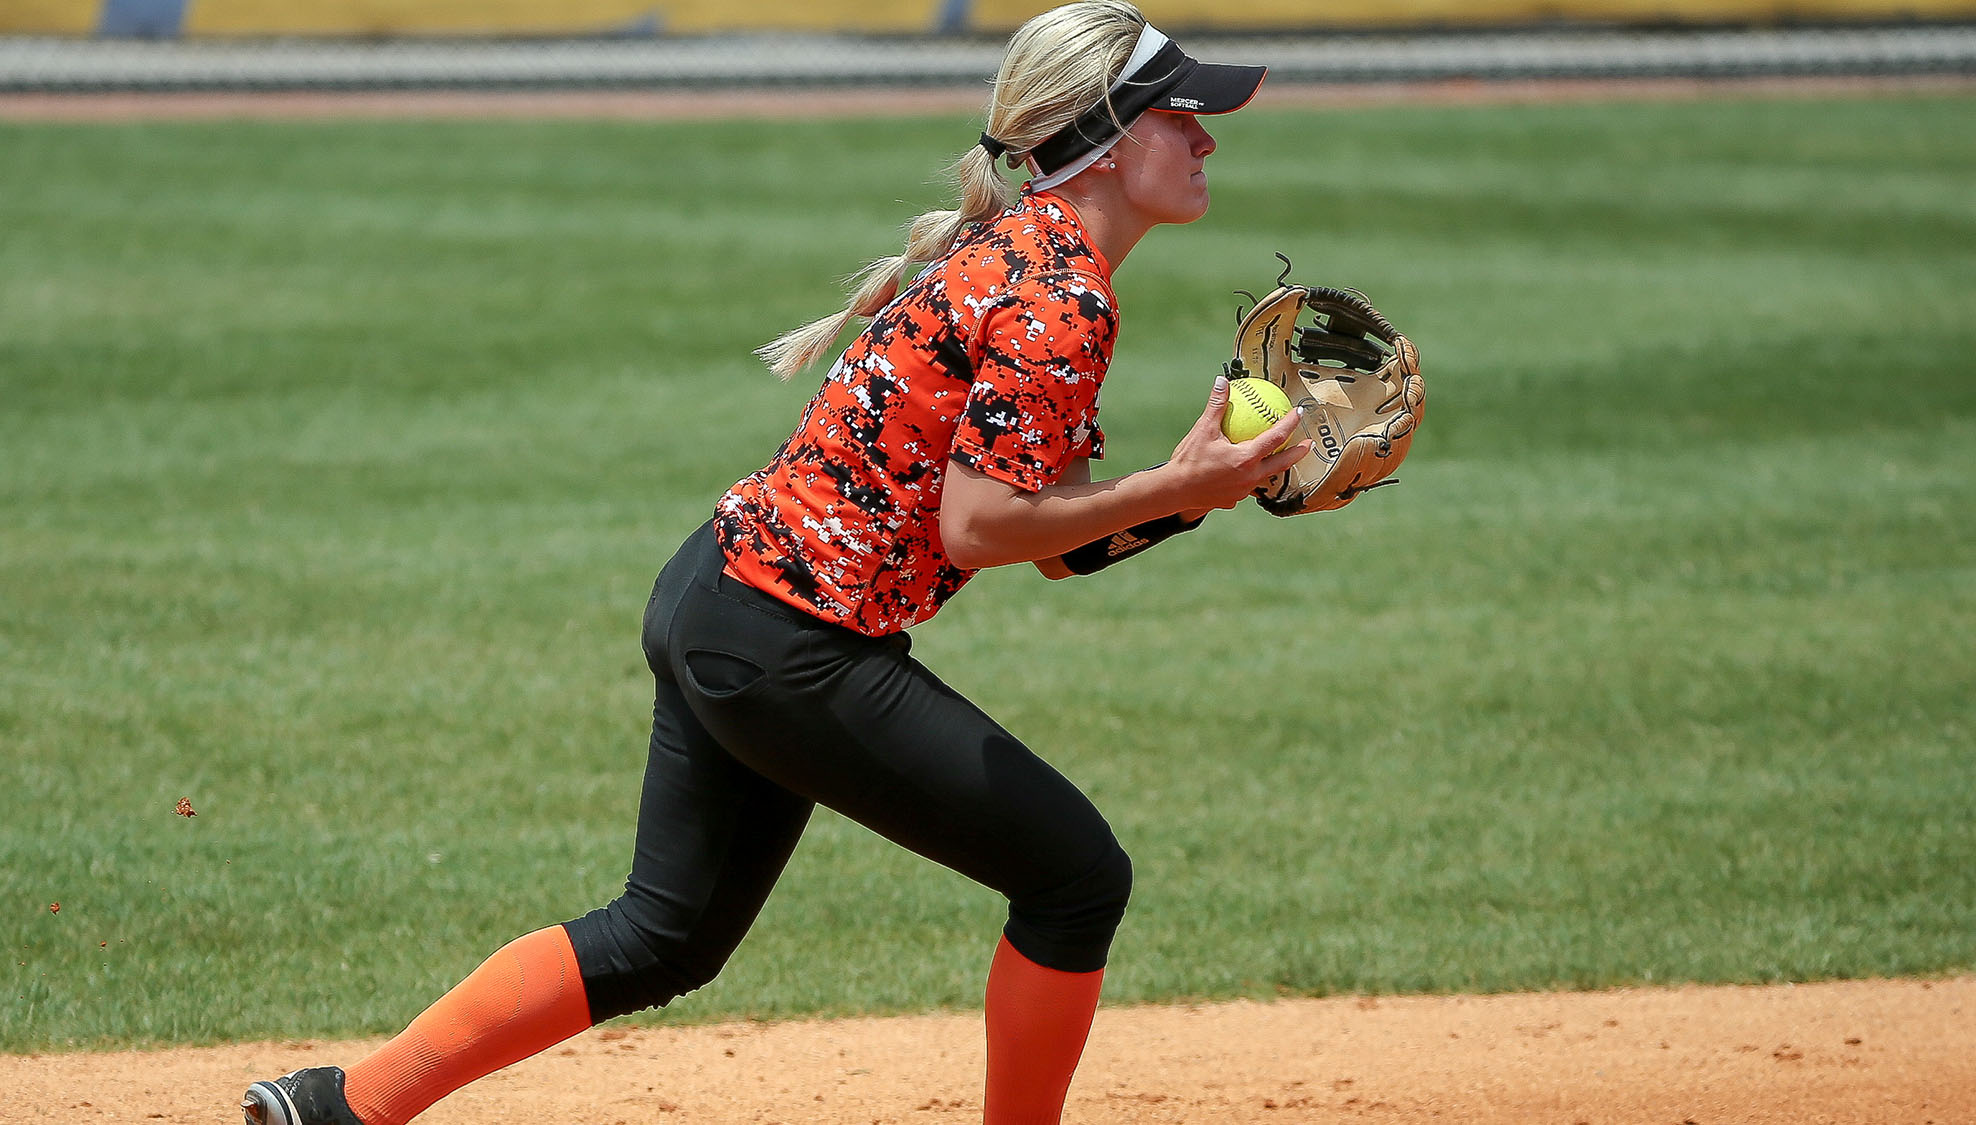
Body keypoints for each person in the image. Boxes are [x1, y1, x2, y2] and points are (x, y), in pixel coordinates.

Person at [240, 4, 1305, 1123]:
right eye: (1179, 114)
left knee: (665, 935)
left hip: (716, 599)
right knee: (1076, 876)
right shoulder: (1061, 291)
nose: (1206, 135)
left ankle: (341, 1105)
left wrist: (1191, 494)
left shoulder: (1026, 255)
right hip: (789, 645)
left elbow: (1045, 540)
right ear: (1107, 138)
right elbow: (982, 528)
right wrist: (1176, 488)